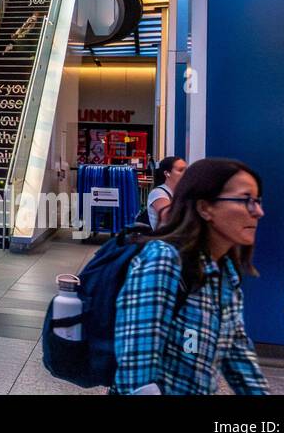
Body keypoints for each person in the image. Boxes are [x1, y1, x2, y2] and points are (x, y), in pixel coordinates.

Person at [113, 157, 268, 395]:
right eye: (245, 200)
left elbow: (238, 354)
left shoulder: (225, 271)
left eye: (257, 201)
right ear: (205, 207)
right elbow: (136, 372)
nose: (258, 211)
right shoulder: (162, 260)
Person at [146, 156, 187, 230]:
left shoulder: (182, 192)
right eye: (180, 170)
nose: (185, 173)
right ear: (167, 173)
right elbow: (169, 217)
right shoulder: (158, 193)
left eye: (186, 170)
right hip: (165, 239)